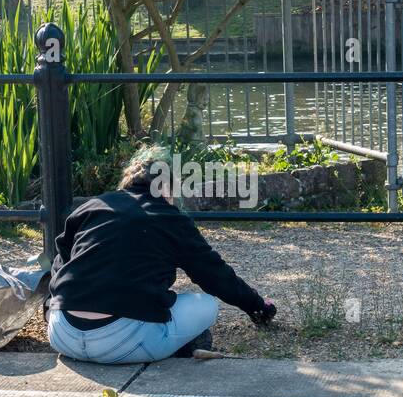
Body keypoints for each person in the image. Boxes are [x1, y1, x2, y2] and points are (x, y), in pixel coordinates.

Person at [46, 146, 277, 363]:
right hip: (120, 343)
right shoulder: (169, 218)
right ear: (166, 188)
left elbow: (61, 261)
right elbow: (213, 274)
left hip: (62, 336)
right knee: (207, 304)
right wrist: (258, 307)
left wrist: (51, 306)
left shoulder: (91, 206)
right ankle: (175, 345)